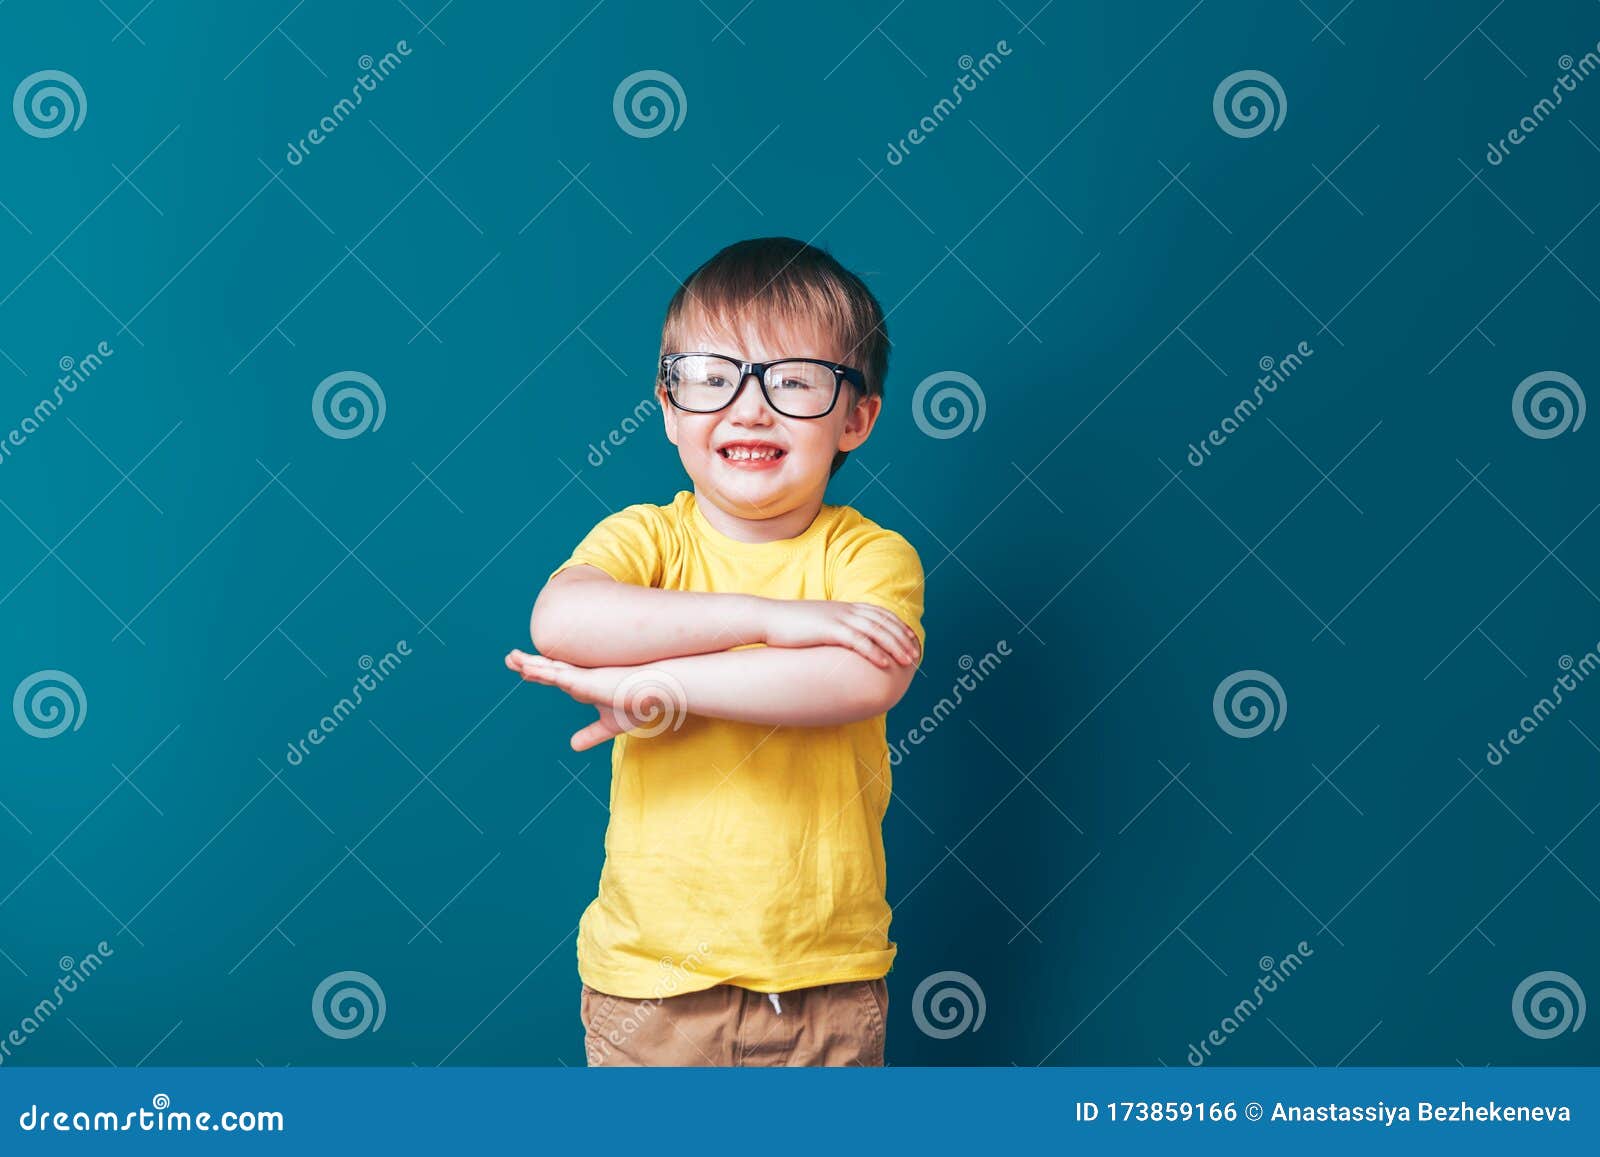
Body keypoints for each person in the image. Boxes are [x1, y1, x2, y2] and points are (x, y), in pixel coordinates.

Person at [506, 236, 925, 1066]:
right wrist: (771, 617)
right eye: (711, 376)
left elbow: (860, 675)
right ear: (669, 407)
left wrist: (657, 683)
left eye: (794, 380)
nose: (750, 408)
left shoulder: (868, 556)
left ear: (856, 417)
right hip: (648, 982)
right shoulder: (647, 538)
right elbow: (562, 619)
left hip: (824, 982)